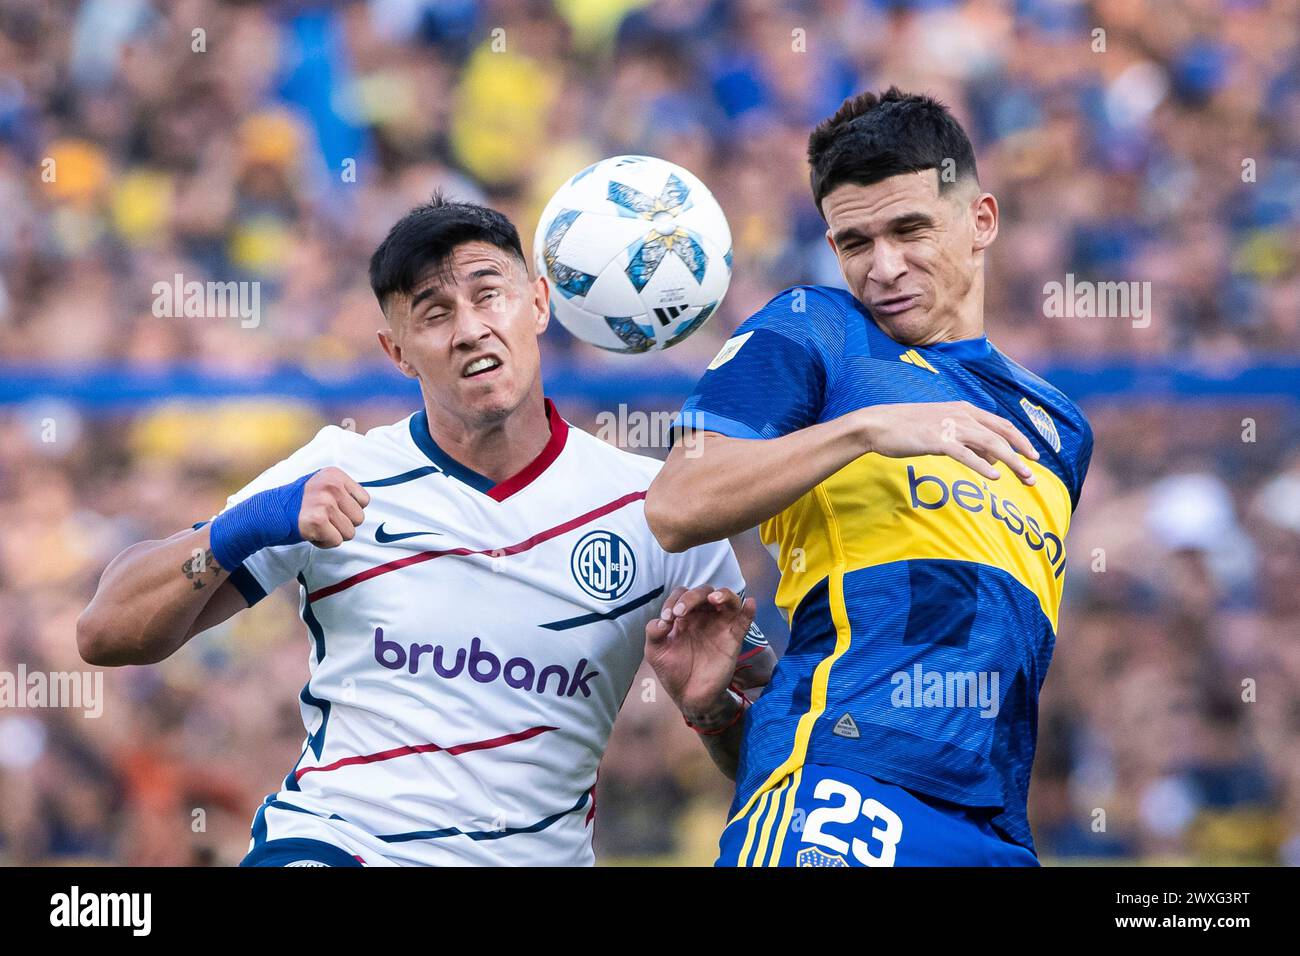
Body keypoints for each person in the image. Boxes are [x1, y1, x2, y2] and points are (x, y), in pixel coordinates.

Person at [77, 195, 775, 866]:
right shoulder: (338, 473)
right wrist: (250, 523)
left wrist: (714, 709)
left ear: (538, 303)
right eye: (435, 313)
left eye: (487, 294)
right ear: (397, 351)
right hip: (341, 843)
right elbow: (107, 632)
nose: (470, 328)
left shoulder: (657, 510)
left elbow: (780, 764)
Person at [644, 89, 1094, 866]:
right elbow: (677, 503)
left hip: (994, 831)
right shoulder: (816, 330)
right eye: (855, 243)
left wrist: (722, 719)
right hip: (840, 795)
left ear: (981, 221)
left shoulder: (1060, 431)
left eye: (909, 230)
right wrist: (865, 430)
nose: (883, 268)